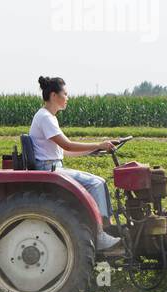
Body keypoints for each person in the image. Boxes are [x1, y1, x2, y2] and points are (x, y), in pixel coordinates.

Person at [30, 76, 122, 251]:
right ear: (53, 95)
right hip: (50, 169)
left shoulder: (47, 117)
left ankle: (104, 229)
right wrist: (98, 144)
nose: (68, 98)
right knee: (97, 183)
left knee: (97, 181)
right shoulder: (45, 118)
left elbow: (65, 151)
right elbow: (67, 144)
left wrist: (97, 149)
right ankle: (101, 234)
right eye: (65, 94)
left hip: (53, 165)